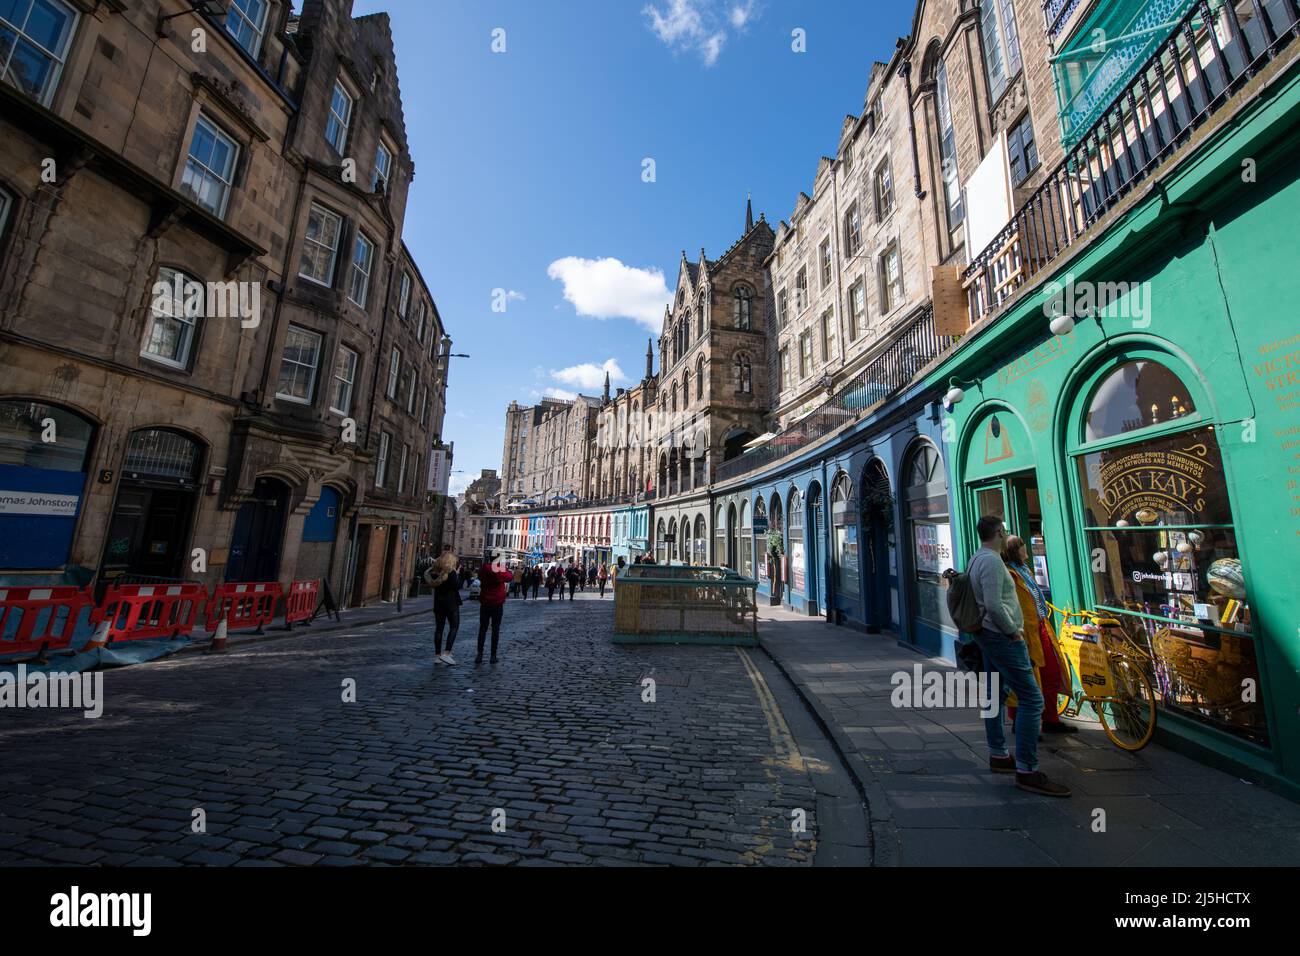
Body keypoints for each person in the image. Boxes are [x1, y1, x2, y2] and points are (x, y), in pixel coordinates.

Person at [965, 515, 1071, 797]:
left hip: (987, 636)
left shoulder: (978, 558)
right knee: (1032, 699)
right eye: (1005, 530)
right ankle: (1027, 769)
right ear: (999, 532)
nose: (1006, 533)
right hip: (1000, 636)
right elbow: (993, 605)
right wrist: (1013, 631)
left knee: (994, 695)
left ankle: (999, 754)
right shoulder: (991, 561)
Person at [1004, 536, 1076, 736]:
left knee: (1051, 673)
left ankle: (1051, 719)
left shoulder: (1024, 570)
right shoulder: (1010, 574)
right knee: (1024, 679)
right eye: (1021, 546)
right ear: (1014, 550)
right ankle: (1020, 723)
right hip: (1023, 632)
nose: (1026, 549)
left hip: (1041, 626)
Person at [424, 551, 462, 665]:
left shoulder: (435, 572)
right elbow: (457, 586)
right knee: (454, 627)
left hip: (438, 603)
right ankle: (446, 653)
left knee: (439, 629)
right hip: (451, 603)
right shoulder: (450, 573)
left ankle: (437, 655)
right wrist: (457, 573)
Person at [476, 550, 513, 663]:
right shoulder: (499, 569)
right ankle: (493, 655)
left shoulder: (484, 568)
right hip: (497, 603)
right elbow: (509, 577)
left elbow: (480, 576)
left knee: (483, 628)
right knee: (495, 630)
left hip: (485, 602)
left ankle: (480, 654)